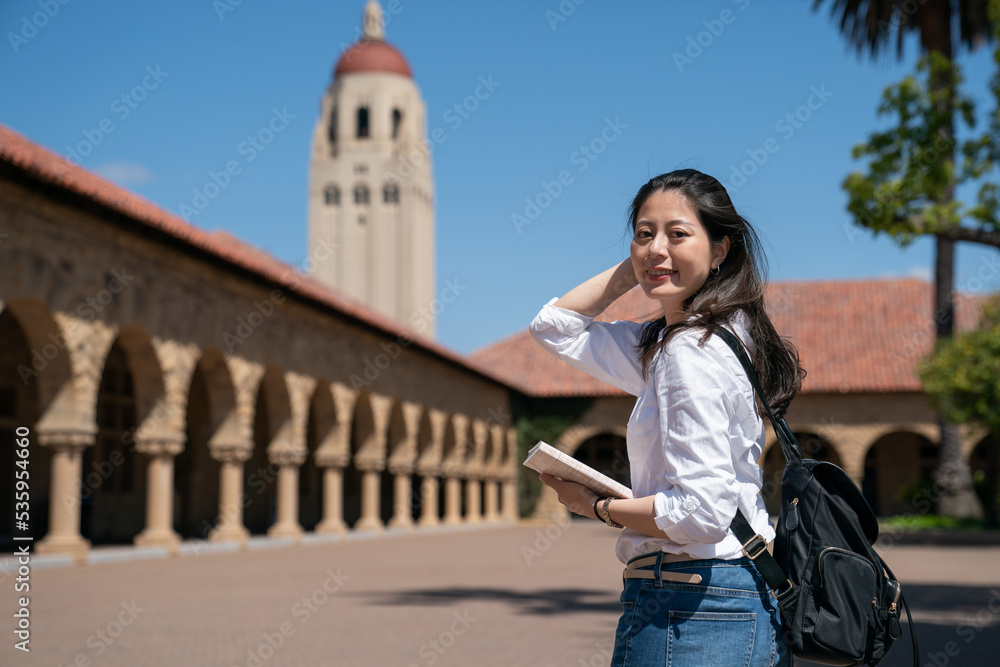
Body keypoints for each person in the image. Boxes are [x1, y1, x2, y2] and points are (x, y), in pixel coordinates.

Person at [528, 169, 804, 666]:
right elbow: (555, 327)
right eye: (643, 233)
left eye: (678, 234)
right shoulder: (718, 336)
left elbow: (700, 513)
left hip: (690, 603)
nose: (657, 247)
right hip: (736, 592)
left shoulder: (687, 352)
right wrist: (645, 263)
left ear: (720, 250)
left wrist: (595, 506)